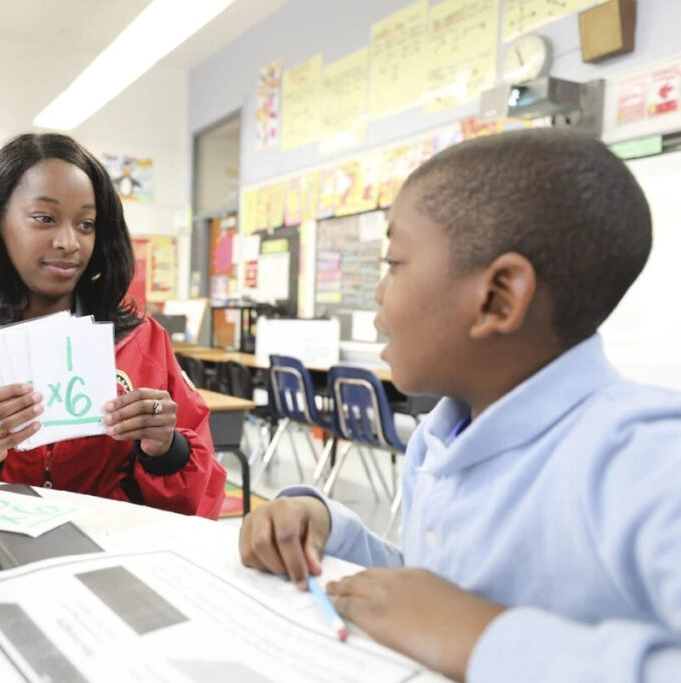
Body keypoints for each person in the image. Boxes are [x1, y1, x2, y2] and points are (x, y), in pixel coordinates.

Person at [238, 130, 681, 681]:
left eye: (395, 262)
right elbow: (429, 596)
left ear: (498, 299)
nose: (378, 293)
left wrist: (481, 637)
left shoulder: (647, 455)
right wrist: (328, 525)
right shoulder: (439, 438)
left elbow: (453, 620)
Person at [0, 133, 226, 519]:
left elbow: (203, 499)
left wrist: (166, 452)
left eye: (86, 224)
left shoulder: (141, 338)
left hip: (110, 555)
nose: (70, 242)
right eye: (44, 219)